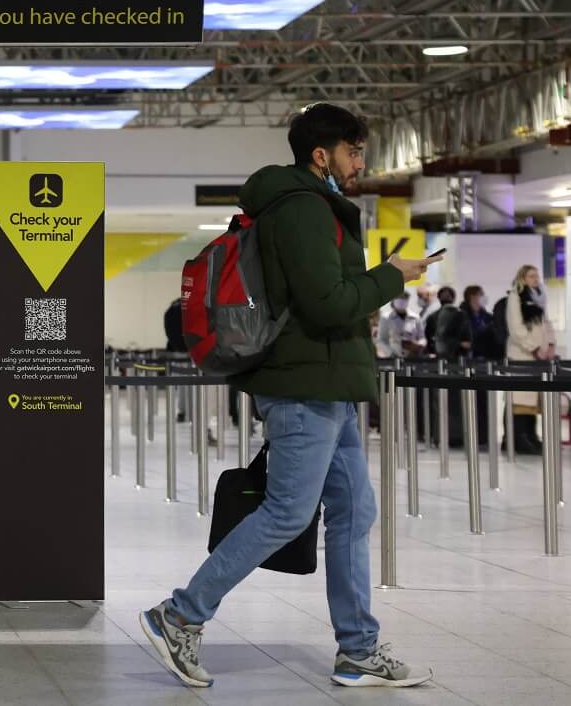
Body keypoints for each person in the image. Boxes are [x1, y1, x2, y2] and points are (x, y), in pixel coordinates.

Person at [140, 102, 435, 690]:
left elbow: (321, 294)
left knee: (355, 511)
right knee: (287, 511)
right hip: (304, 383)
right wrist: (392, 276)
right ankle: (179, 615)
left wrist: (373, 282)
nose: (359, 164)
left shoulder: (309, 205)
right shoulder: (302, 208)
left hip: (327, 382)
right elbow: (326, 303)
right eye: (353, 152)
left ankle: (357, 649)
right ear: (321, 154)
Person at [504, 265, 555, 455]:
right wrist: (532, 348)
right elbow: (516, 328)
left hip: (539, 358)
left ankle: (532, 436)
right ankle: (519, 437)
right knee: (520, 400)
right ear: (523, 278)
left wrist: (550, 344)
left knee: (534, 400)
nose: (536, 279)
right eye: (531, 276)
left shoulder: (539, 298)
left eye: (537, 275)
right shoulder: (515, 297)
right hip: (522, 356)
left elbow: (546, 323)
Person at [373, 294, 424, 359]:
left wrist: (417, 346)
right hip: (393, 356)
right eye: (399, 299)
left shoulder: (415, 317)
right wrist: (391, 353)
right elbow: (381, 340)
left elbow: (422, 337)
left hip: (412, 356)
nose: (401, 302)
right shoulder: (386, 318)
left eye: (404, 299)